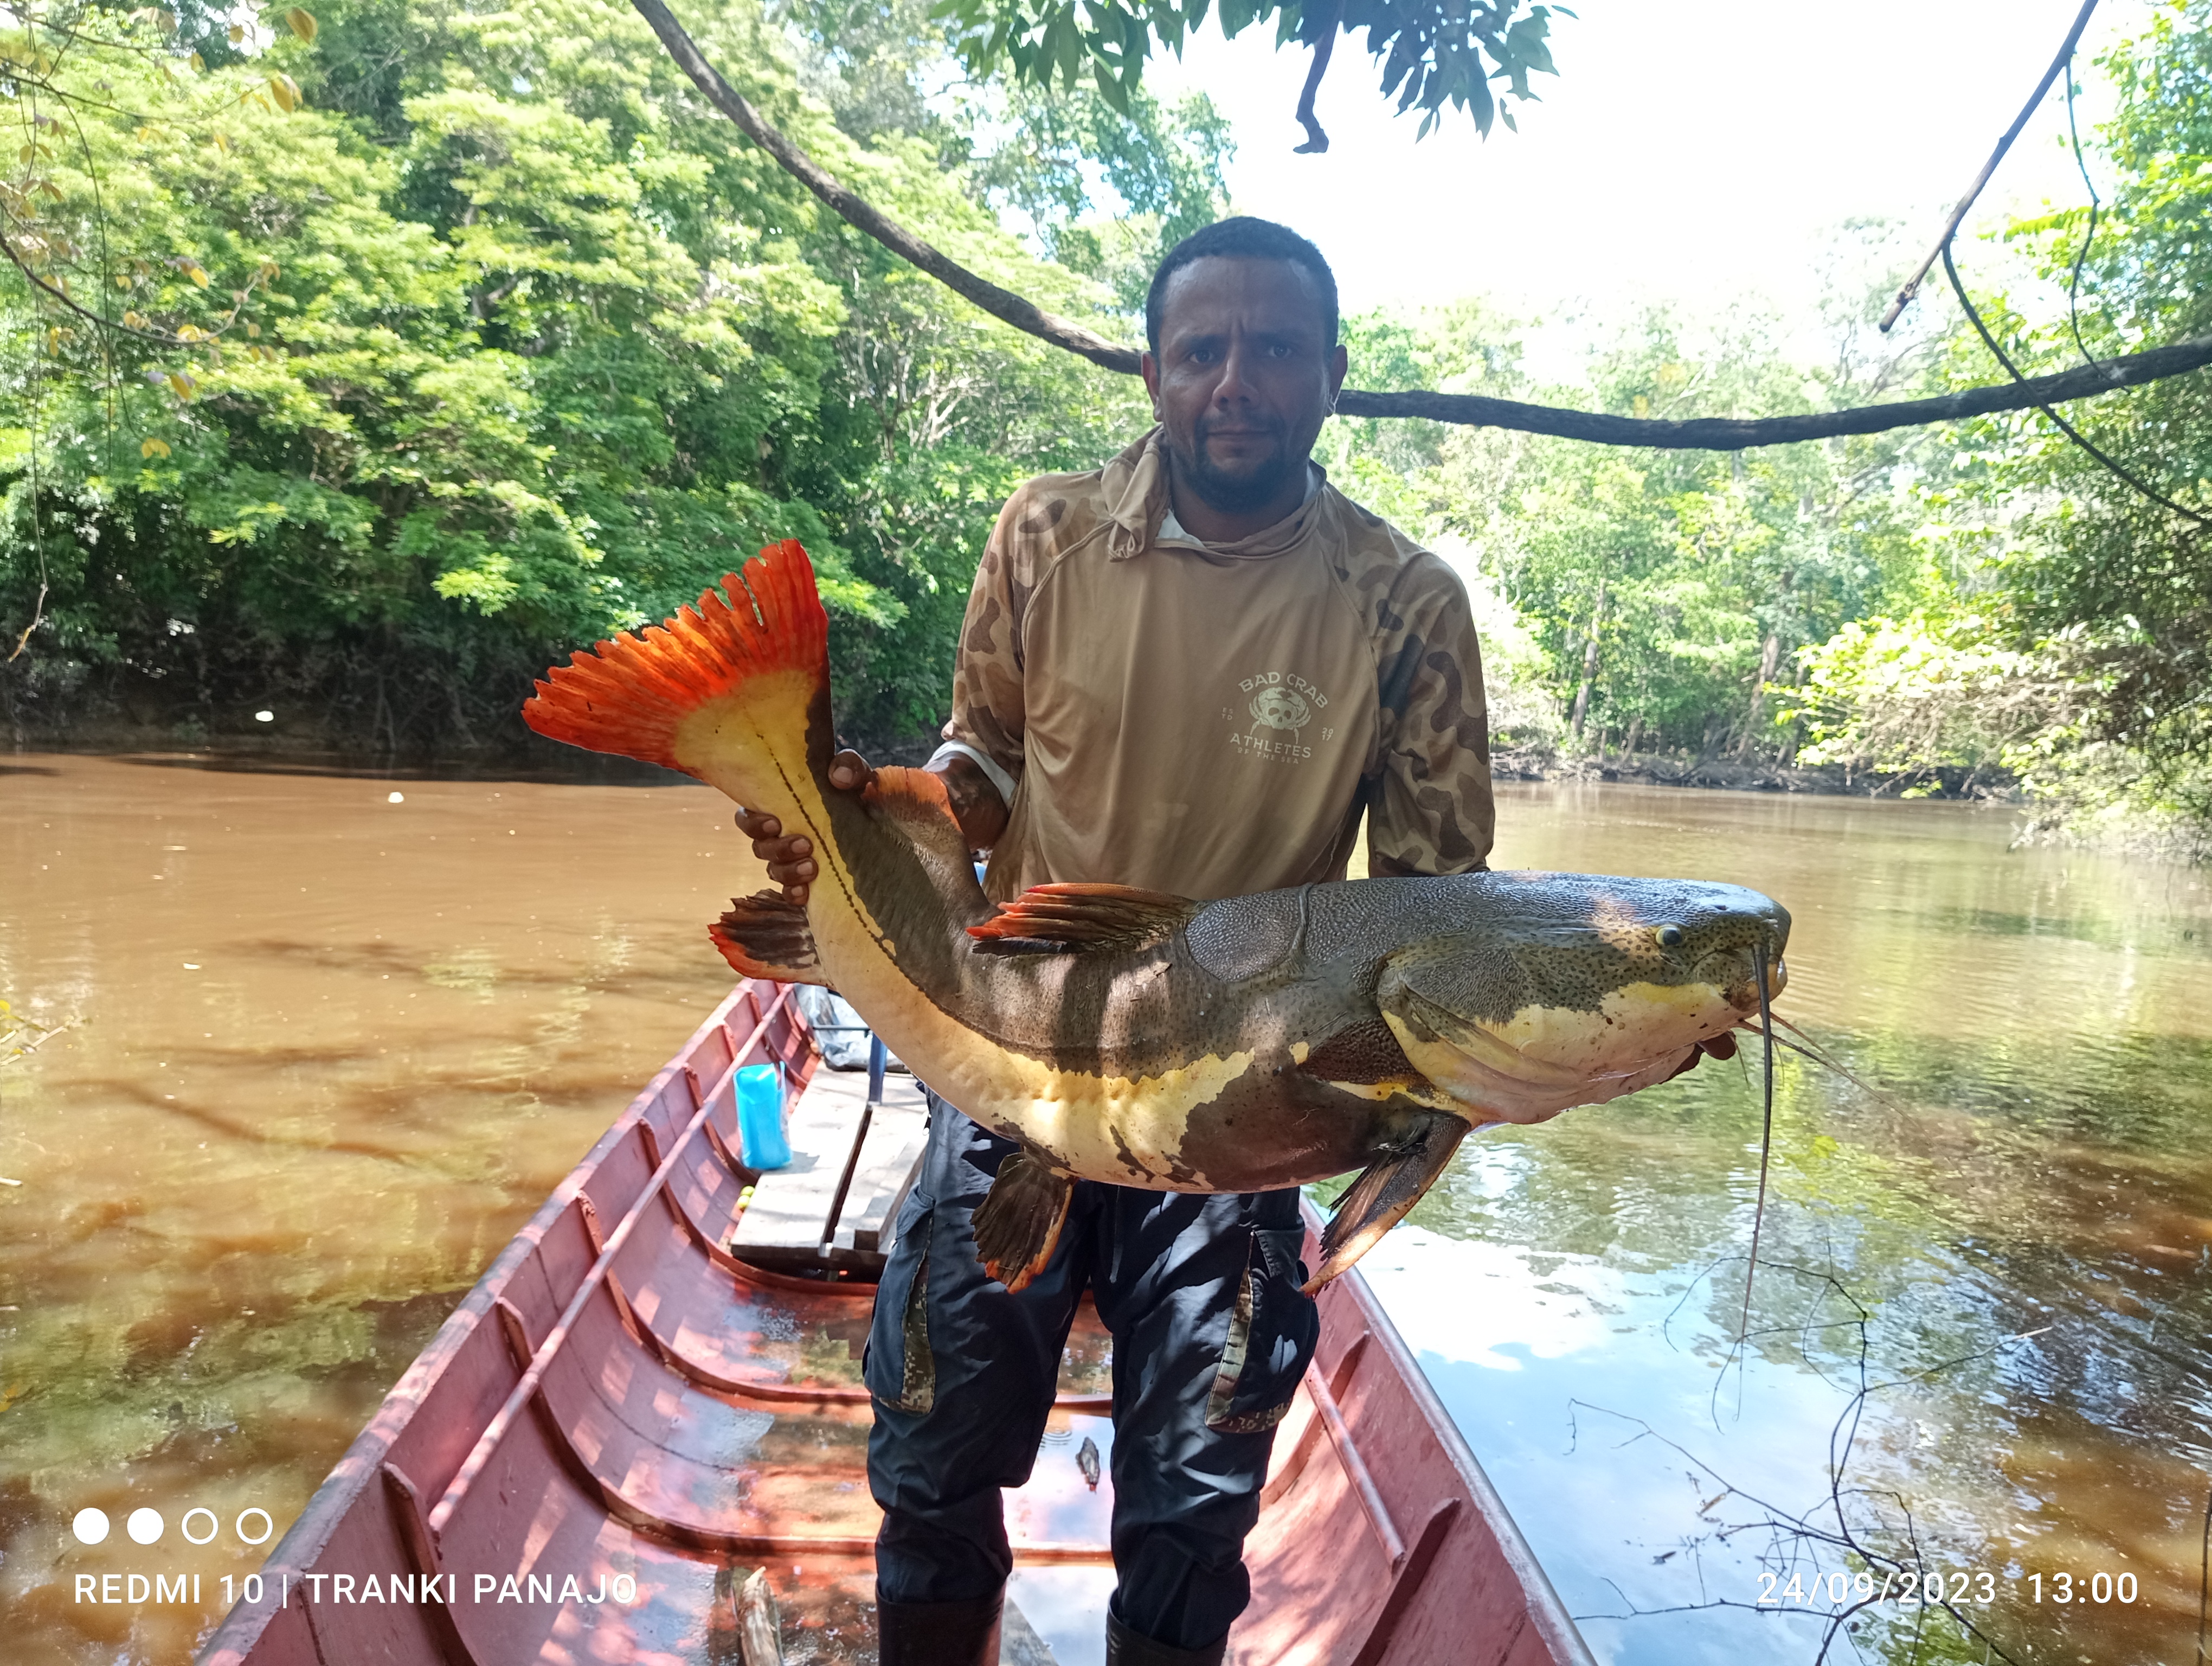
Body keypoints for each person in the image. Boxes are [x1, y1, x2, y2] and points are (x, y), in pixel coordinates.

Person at [738, 216, 1498, 1665]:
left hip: (1240, 1105)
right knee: (932, 1460)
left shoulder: (1403, 603)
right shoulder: (1046, 534)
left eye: (1274, 351)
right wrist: (879, 818)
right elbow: (985, 763)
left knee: (1193, 1518)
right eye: (1202, 351)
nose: (1236, 382)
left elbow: (1433, 908)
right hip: (1018, 1051)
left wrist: (1600, 1031)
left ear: (1332, 375)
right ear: (1154, 372)